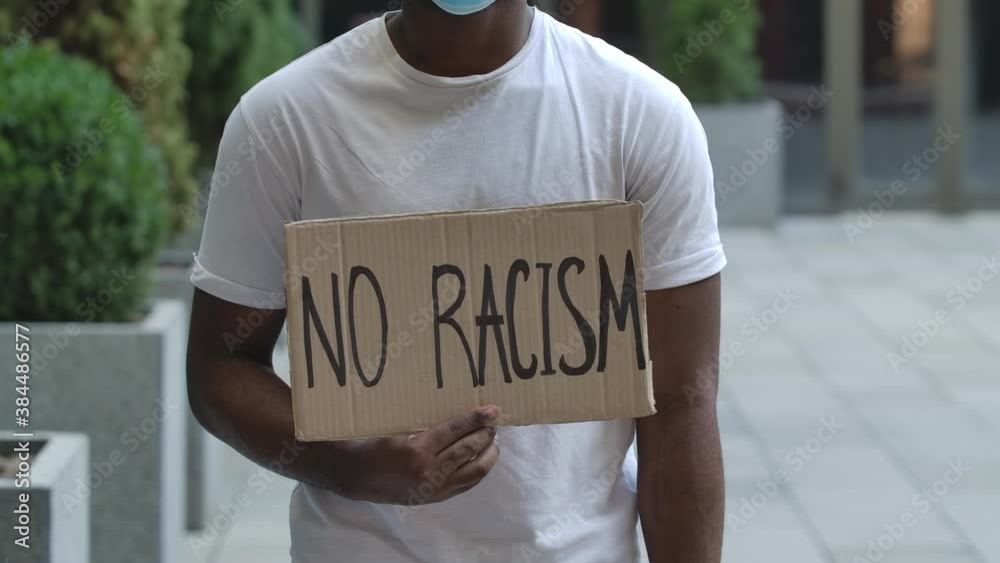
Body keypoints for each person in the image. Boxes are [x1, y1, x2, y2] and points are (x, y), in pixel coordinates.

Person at [186, 0, 725, 561]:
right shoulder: (285, 118)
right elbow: (219, 366)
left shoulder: (641, 114)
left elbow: (682, 402)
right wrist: (352, 467)